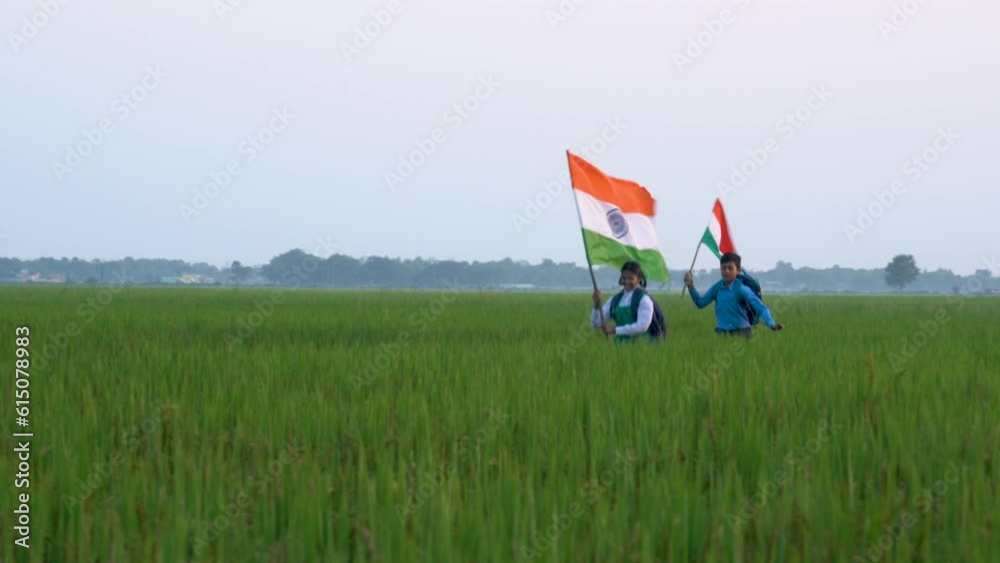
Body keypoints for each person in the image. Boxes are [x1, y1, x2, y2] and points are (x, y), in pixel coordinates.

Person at [683, 252, 784, 336]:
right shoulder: (717, 288)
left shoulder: (742, 289)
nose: (726, 271)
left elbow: (761, 308)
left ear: (738, 270)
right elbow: (700, 303)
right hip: (721, 333)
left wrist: (772, 324)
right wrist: (691, 286)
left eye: (730, 268)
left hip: (742, 333)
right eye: (723, 268)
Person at [591, 261, 657, 343]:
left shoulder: (644, 299)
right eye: (624, 278)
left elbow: (642, 326)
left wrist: (614, 330)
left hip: (641, 344)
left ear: (639, 279)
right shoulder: (615, 300)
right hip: (620, 346)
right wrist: (597, 305)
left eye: (630, 278)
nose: (626, 281)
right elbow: (596, 324)